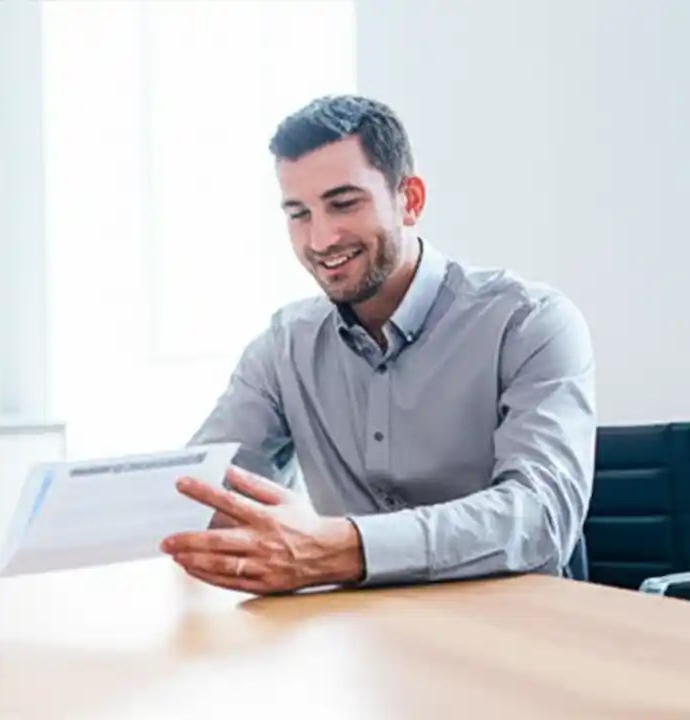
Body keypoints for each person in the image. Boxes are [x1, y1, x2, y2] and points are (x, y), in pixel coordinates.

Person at [160, 95, 596, 595]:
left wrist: (342, 547)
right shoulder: (283, 346)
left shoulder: (530, 323)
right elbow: (205, 492)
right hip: (356, 638)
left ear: (409, 200)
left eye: (344, 204)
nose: (321, 239)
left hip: (514, 637)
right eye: (299, 213)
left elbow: (541, 519)